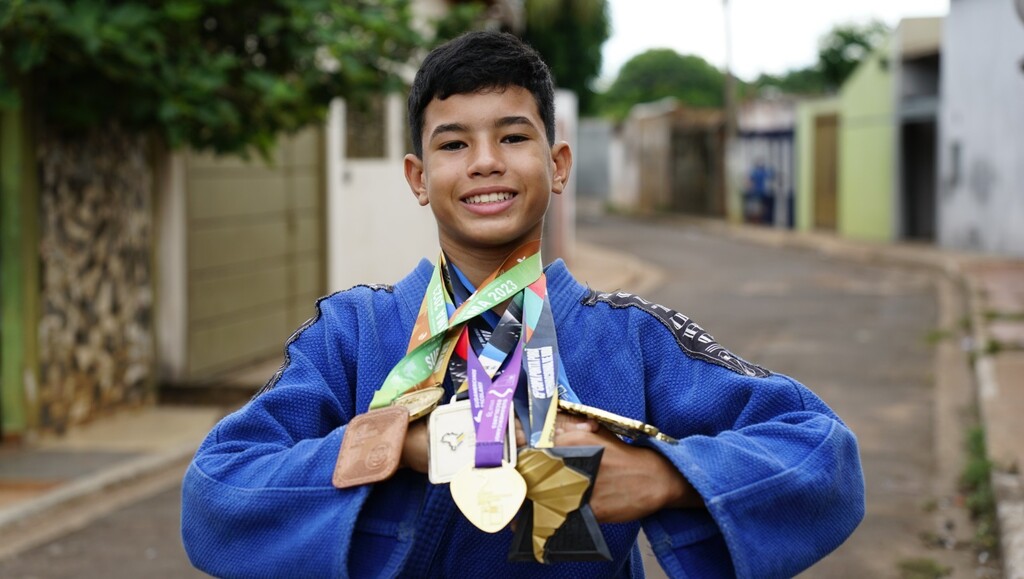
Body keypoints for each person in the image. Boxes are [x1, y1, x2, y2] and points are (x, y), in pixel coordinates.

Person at [181, 31, 864, 578]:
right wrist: (397, 444)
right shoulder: (353, 332)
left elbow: (820, 447)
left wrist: (663, 475)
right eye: (454, 143)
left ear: (558, 164)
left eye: (512, 137)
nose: (485, 161)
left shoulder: (629, 336)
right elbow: (217, 488)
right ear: (418, 177)